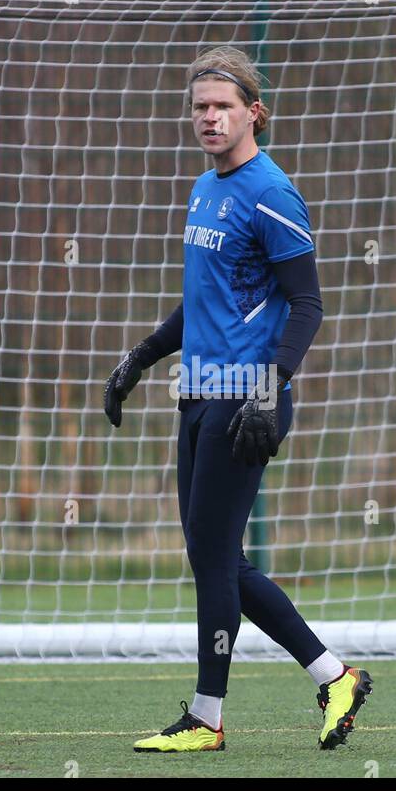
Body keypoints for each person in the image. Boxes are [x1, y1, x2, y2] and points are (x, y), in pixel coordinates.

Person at [103, 45, 373, 752]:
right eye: (199, 107)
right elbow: (201, 303)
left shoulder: (272, 192)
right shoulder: (203, 189)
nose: (209, 118)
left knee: (216, 559)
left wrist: (271, 386)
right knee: (217, 558)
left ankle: (206, 719)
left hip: (247, 395)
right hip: (197, 395)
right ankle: (333, 674)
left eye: (222, 106)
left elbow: (308, 305)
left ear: (254, 112)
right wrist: (139, 359)